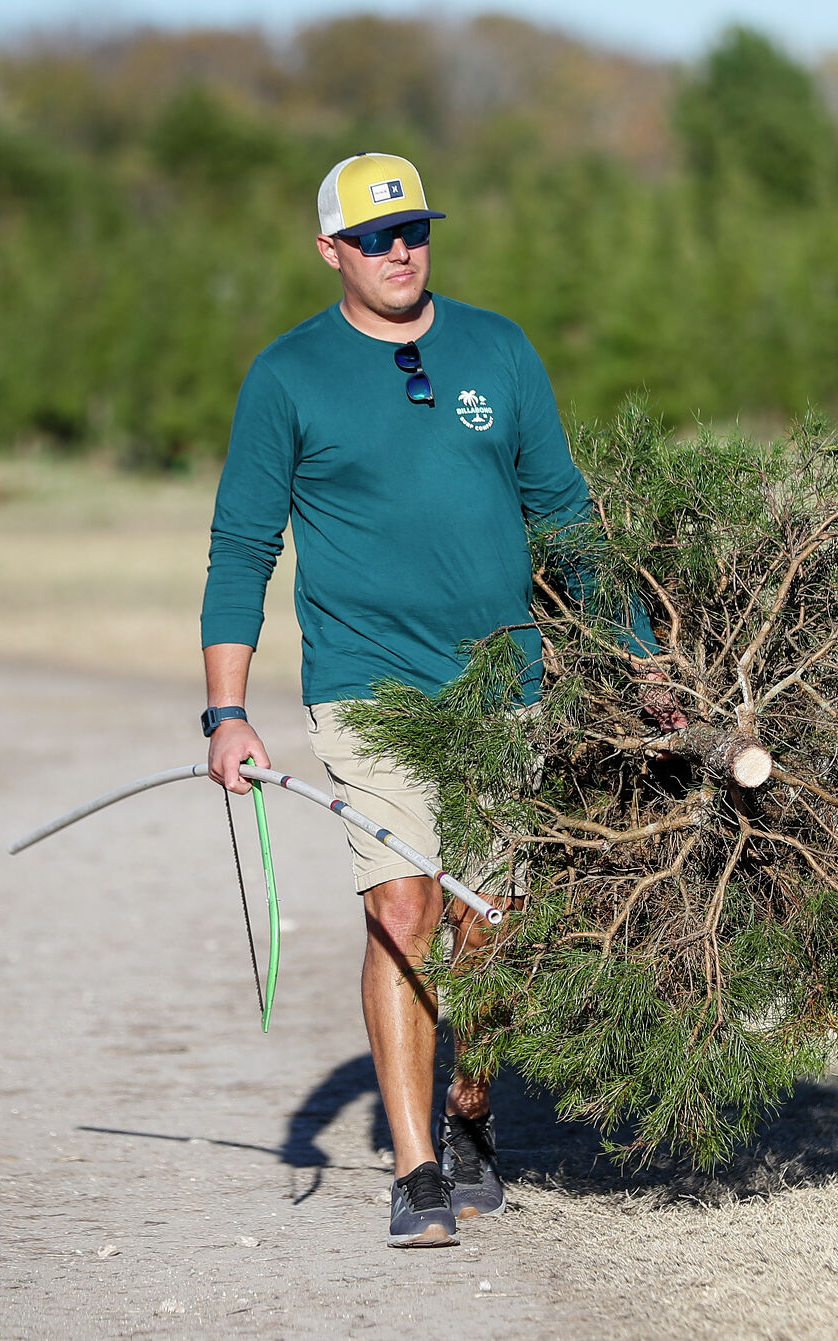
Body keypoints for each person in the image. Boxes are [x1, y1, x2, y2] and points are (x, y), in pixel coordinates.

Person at [198, 152, 674, 1249]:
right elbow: (239, 550)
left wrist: (638, 656)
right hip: (369, 690)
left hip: (507, 684)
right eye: (372, 238)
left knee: (488, 923)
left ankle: (468, 1107)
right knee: (403, 906)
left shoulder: (497, 349)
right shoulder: (287, 376)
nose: (398, 250)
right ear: (330, 252)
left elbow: (563, 514)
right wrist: (225, 712)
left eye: (411, 229)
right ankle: (415, 1170)